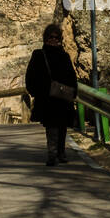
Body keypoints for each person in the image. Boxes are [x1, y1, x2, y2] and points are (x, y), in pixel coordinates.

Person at [25, 23, 78, 166]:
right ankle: (52, 154)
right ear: (45, 38)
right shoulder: (38, 55)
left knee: (62, 127)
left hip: (63, 98)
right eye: (50, 37)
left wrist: (73, 92)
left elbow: (71, 76)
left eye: (56, 37)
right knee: (51, 127)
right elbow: (30, 76)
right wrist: (35, 92)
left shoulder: (64, 56)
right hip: (47, 99)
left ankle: (61, 152)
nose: (53, 40)